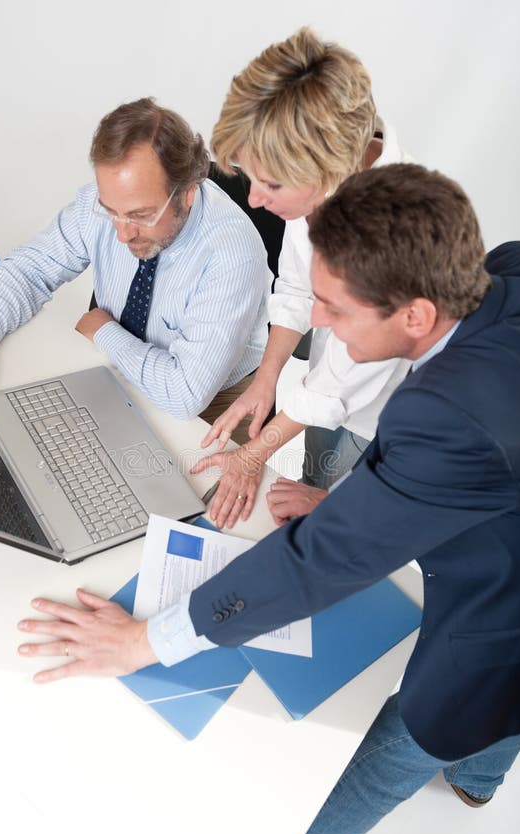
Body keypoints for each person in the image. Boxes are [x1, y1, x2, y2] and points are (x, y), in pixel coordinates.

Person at [16, 164, 520, 834]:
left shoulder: (451, 419)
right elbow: (498, 456)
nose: (317, 321)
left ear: (415, 314)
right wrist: (377, 505)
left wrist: (142, 641)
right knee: (511, 709)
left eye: (335, 308)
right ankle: (479, 776)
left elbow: (313, 565)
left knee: (424, 727)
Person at [0, 99, 270, 444]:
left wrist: (105, 332)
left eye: (141, 215)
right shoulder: (107, 200)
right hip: (113, 366)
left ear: (187, 194)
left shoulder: (232, 256)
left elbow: (185, 393)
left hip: (213, 404)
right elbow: (29, 269)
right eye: (112, 211)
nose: (122, 234)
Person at [196, 27, 411, 528]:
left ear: (329, 172)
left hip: (389, 420)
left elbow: (339, 385)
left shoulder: (394, 244)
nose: (254, 201)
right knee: (309, 484)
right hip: (329, 393)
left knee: (348, 520)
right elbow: (294, 287)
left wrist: (253, 455)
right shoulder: (327, 172)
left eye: (270, 185)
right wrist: (265, 380)